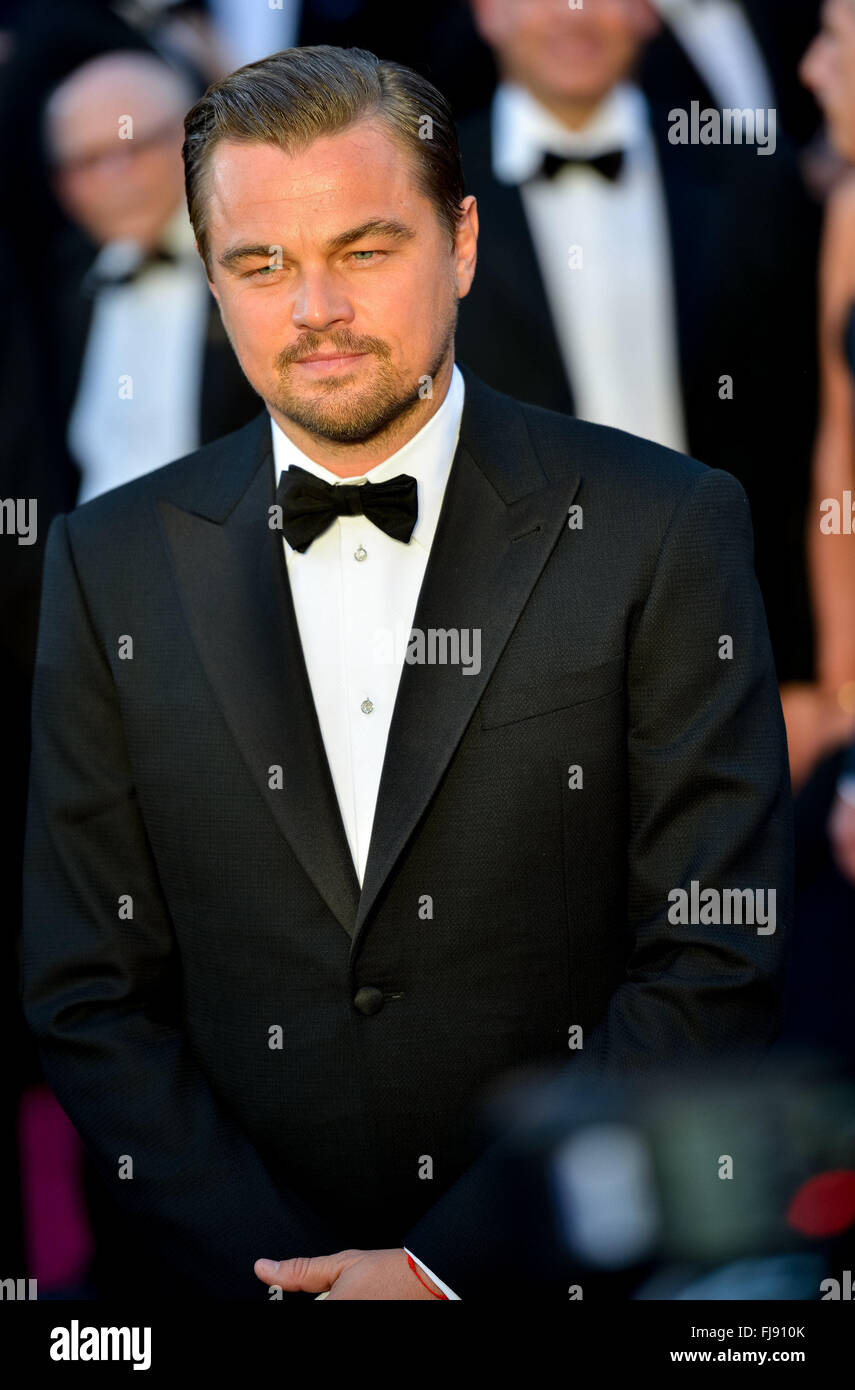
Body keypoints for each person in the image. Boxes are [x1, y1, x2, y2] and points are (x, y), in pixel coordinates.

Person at [21, 44, 791, 1301]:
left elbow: (712, 954)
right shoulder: (107, 561)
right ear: (213, 277)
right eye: (261, 263)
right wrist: (273, 1276)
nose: (312, 306)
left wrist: (446, 1270)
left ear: (465, 243)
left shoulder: (663, 526)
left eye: (364, 249)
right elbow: (87, 986)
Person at [454, 0, 820, 686]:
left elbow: (794, 440)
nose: (575, 15)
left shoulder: (750, 183)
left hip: (723, 634)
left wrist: (798, 674)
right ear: (486, 10)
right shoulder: (425, 196)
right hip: (503, 661)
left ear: (651, 10)